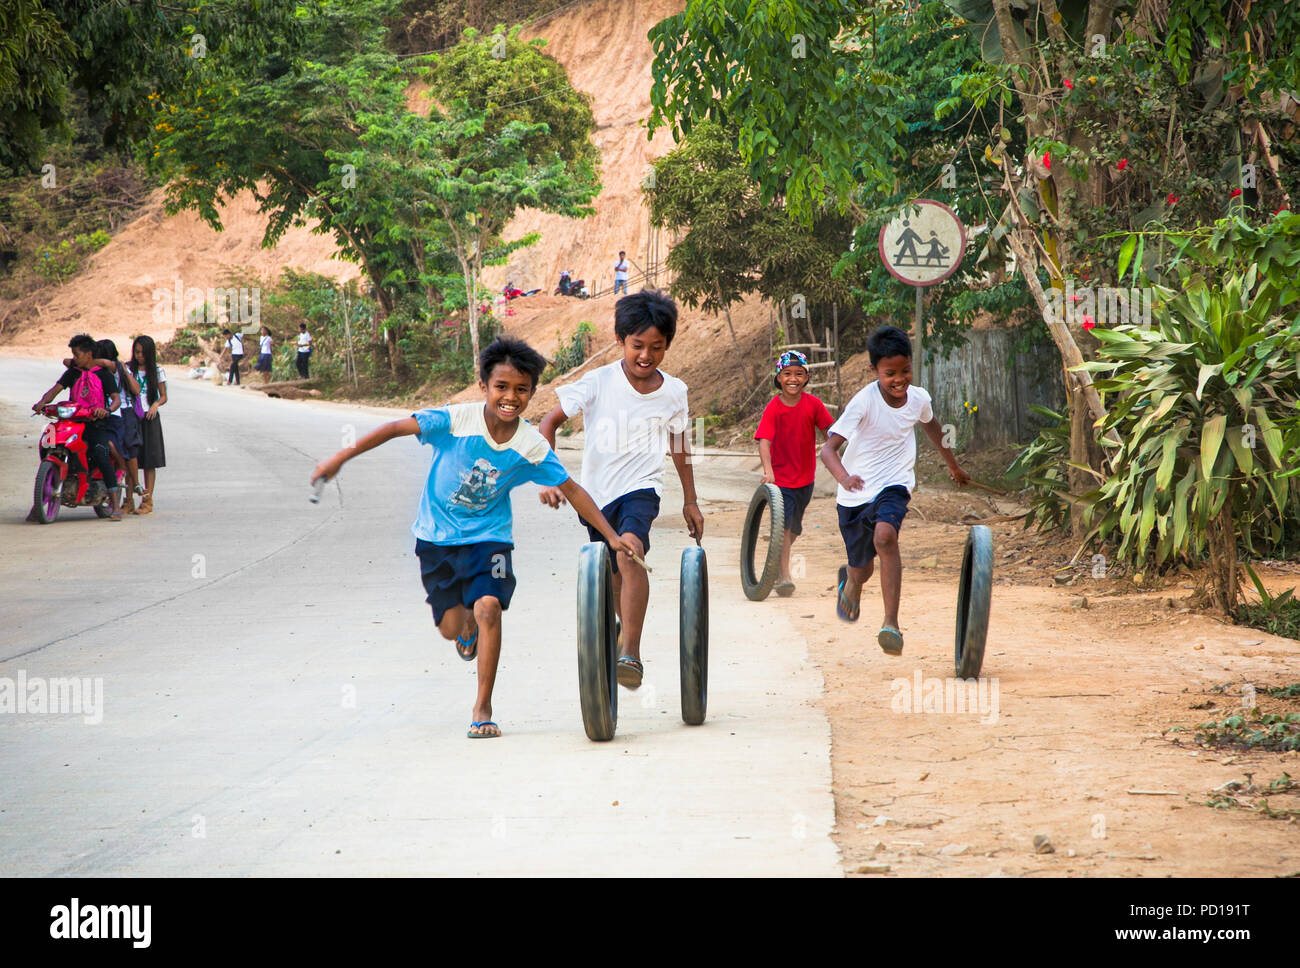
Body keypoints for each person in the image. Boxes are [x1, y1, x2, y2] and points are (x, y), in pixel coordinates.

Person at [310, 337, 634, 740]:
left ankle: (482, 707)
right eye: (501, 387)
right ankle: (465, 633)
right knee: (451, 628)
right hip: (436, 539)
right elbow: (394, 428)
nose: (510, 398)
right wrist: (340, 458)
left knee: (488, 607)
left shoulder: (530, 444)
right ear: (484, 386)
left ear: (532, 393)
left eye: (521, 390)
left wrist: (613, 536)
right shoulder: (454, 421)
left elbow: (574, 491)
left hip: (489, 540)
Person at [537, 290, 703, 690]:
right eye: (637, 346)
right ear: (620, 340)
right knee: (613, 575)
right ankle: (619, 629)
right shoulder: (597, 382)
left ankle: (631, 653)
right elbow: (548, 423)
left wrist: (691, 500)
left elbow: (679, 444)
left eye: (657, 347)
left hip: (641, 489)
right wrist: (548, 474)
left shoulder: (674, 391)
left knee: (631, 551)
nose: (646, 355)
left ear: (668, 345)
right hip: (593, 497)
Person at [819, 325, 969, 655]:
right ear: (874, 371)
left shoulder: (918, 399)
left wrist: (953, 465)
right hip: (855, 494)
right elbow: (827, 450)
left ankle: (891, 623)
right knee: (863, 569)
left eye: (905, 371)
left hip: (895, 484)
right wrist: (844, 478)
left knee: (885, 538)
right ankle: (852, 583)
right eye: (890, 374)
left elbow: (932, 427)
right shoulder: (863, 402)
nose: (899, 380)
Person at [754, 350, 835, 597]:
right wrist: (768, 471)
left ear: (807, 377)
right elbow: (764, 441)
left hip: (805, 479)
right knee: (786, 528)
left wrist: (839, 457)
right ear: (778, 377)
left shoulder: (813, 404)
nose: (793, 379)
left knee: (794, 530)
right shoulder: (774, 408)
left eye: (799, 374)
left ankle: (775, 562)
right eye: (787, 374)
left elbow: (830, 431)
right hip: (781, 480)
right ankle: (784, 576)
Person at [30, 333, 122, 520]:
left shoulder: (104, 374)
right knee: (50, 444)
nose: (74, 358)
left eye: (77, 354)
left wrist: (106, 410)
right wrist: (41, 403)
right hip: (72, 422)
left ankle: (115, 504)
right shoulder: (73, 372)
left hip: (95, 424)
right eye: (73, 354)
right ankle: (40, 501)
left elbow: (116, 399)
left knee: (101, 454)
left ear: (89, 354)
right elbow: (55, 391)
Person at [128, 335, 167, 515]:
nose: (139, 356)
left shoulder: (157, 371)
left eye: (143, 353)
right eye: (137, 352)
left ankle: (147, 500)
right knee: (130, 458)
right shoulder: (128, 370)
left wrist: (155, 404)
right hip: (132, 417)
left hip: (150, 418)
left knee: (149, 461)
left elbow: (163, 396)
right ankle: (128, 500)